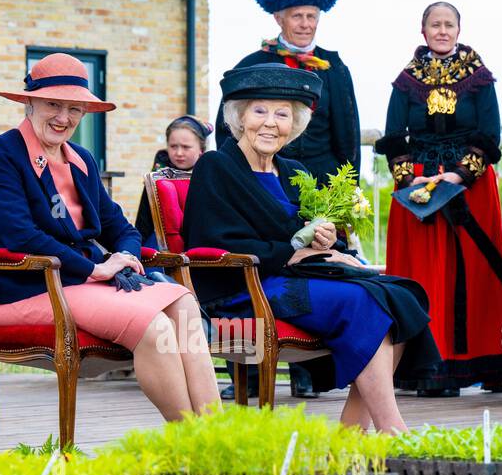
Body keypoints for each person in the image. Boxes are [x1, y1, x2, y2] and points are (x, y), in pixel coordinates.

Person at [184, 63, 440, 433]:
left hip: (295, 277)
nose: (270, 123)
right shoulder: (216, 165)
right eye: (260, 110)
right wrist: (290, 253)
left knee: (402, 295)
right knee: (361, 302)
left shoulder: (291, 170)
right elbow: (212, 240)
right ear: (239, 117)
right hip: (244, 287)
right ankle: (392, 429)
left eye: (282, 114)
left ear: (295, 124)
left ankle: (352, 430)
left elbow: (304, 231)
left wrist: (327, 241)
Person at [0, 53, 219, 421]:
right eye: (53, 104)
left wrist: (124, 256)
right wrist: (94, 268)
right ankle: (191, 441)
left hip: (84, 280)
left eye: (74, 108)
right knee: (153, 326)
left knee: (183, 305)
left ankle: (216, 435)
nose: (63, 117)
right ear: (29, 102)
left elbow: (122, 227)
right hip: (27, 286)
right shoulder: (3, 153)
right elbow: (20, 235)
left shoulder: (83, 159)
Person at [215, 0, 361, 400]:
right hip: (257, 181)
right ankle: (243, 374)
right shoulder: (251, 66)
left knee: (315, 269)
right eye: (297, 15)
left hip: (314, 185)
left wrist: (342, 193)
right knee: (249, 266)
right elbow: (227, 132)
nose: (305, 24)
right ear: (278, 17)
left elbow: (348, 135)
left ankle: (308, 373)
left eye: (312, 16)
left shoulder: (335, 69)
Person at [375, 1, 502, 398]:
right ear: (423, 30)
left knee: (472, 273)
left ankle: (477, 364)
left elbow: (489, 134)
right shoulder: (406, 80)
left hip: (470, 185)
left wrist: (458, 175)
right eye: (436, 25)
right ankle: (427, 368)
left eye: (449, 25)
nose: (443, 31)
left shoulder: (480, 79)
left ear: (459, 29)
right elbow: (394, 137)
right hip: (418, 187)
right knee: (423, 275)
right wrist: (414, 182)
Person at [133, 115, 212, 246]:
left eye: (186, 147)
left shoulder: (210, 176)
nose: (179, 153)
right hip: (161, 244)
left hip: (200, 244)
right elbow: (144, 221)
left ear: (201, 149)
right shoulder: (158, 177)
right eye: (173, 146)